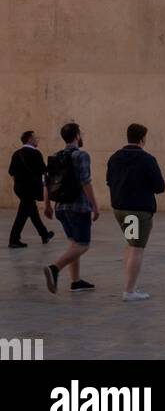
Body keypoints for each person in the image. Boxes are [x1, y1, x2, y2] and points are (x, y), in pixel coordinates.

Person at [105, 122, 165, 301]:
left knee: (132, 245)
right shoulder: (147, 159)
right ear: (142, 139)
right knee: (137, 248)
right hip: (137, 211)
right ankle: (129, 290)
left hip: (120, 208)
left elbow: (109, 181)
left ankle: (130, 286)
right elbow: (160, 186)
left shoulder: (115, 157)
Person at [43, 121, 99, 295]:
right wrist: (94, 206)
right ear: (77, 136)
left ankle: (76, 282)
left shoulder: (56, 156)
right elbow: (85, 182)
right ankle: (54, 268)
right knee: (83, 245)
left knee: (74, 243)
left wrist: (47, 205)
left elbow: (47, 183)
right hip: (78, 206)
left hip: (61, 207)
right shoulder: (81, 156)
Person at [8, 130, 53, 249]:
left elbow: (11, 172)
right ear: (29, 139)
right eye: (35, 138)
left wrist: (20, 183)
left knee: (32, 212)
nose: (37, 140)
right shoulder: (35, 153)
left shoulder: (16, 154)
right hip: (31, 189)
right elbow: (44, 171)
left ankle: (44, 234)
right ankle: (14, 239)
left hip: (19, 188)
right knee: (22, 214)